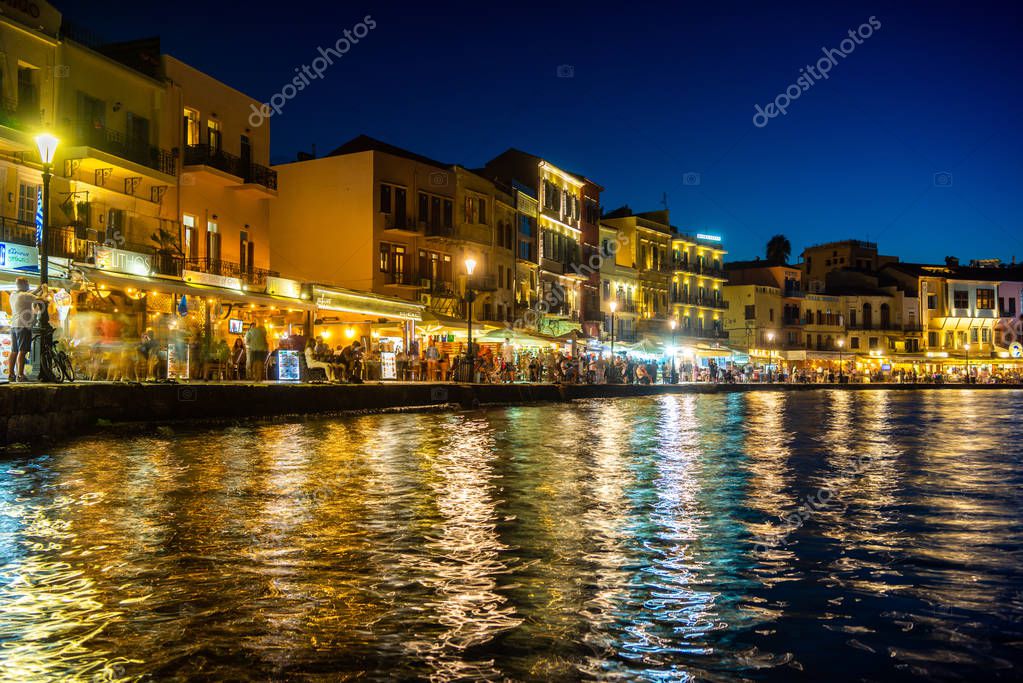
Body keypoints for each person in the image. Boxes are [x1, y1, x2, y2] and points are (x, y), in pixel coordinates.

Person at [7, 277, 43, 383]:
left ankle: (11, 374)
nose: (28, 285)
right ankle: (20, 375)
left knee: (14, 351)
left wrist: (37, 289)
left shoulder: (13, 295)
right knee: (22, 351)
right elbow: (42, 299)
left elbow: (29, 294)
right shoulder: (25, 296)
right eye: (27, 283)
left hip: (14, 326)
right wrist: (44, 290)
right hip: (23, 326)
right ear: (24, 285)